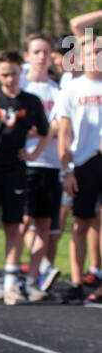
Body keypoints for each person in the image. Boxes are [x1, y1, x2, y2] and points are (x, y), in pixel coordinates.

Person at [0, 51, 49, 305]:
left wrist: (34, 152)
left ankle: (10, 282)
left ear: (21, 72)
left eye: (14, 73)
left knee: (14, 225)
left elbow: (48, 130)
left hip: (16, 171)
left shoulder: (31, 101)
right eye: (4, 74)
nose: (9, 79)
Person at [55, 32, 102, 304]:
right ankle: (75, 282)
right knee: (81, 223)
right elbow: (64, 134)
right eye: (89, 53)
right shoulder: (72, 89)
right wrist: (67, 170)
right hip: (83, 164)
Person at [20, 32, 63, 301]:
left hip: (51, 163)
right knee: (22, 222)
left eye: (46, 52)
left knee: (45, 224)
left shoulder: (57, 90)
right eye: (36, 52)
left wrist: (43, 133)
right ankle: (16, 274)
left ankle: (34, 276)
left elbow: (57, 127)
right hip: (25, 163)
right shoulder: (22, 87)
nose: (41, 57)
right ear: (27, 56)